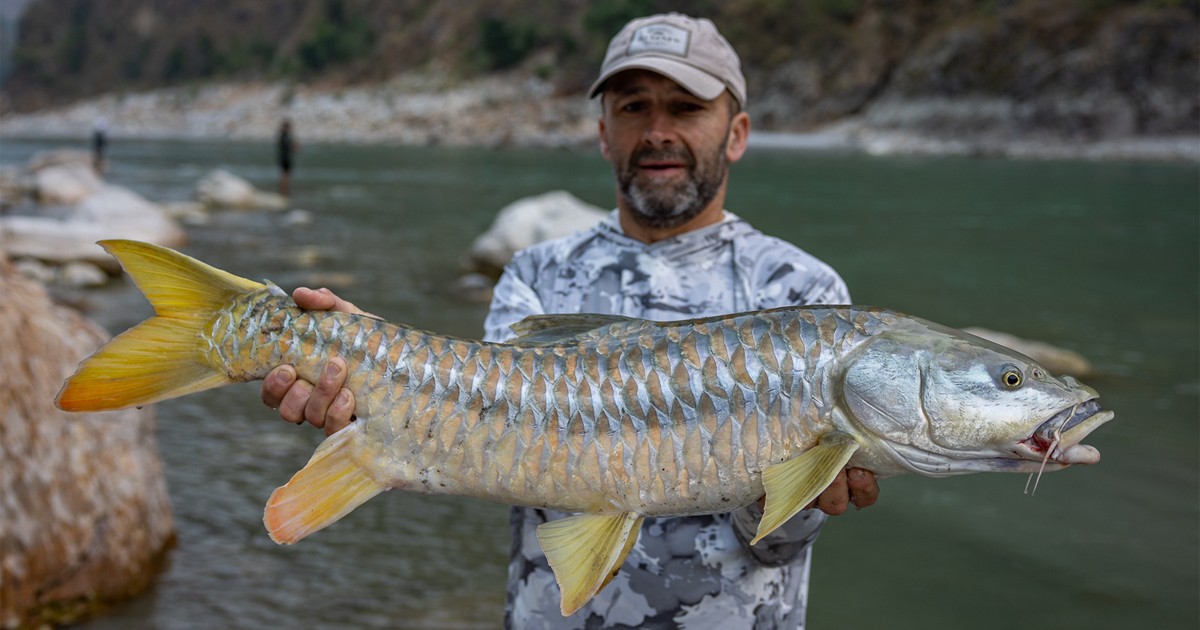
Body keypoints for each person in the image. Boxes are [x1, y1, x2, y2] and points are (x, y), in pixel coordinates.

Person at [260, 13, 879, 629]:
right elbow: (481, 429)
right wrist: (362, 359)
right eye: (634, 107)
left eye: (686, 108)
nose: (657, 131)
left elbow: (776, 548)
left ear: (737, 133)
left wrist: (806, 492)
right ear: (604, 133)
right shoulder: (537, 271)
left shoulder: (805, 294)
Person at [277, 118, 296, 197]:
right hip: (285, 158)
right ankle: (284, 191)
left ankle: (284, 191)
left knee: (285, 175)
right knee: (285, 175)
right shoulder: (284, 135)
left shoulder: (283, 135)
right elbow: (287, 146)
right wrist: (294, 147)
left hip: (284, 157)